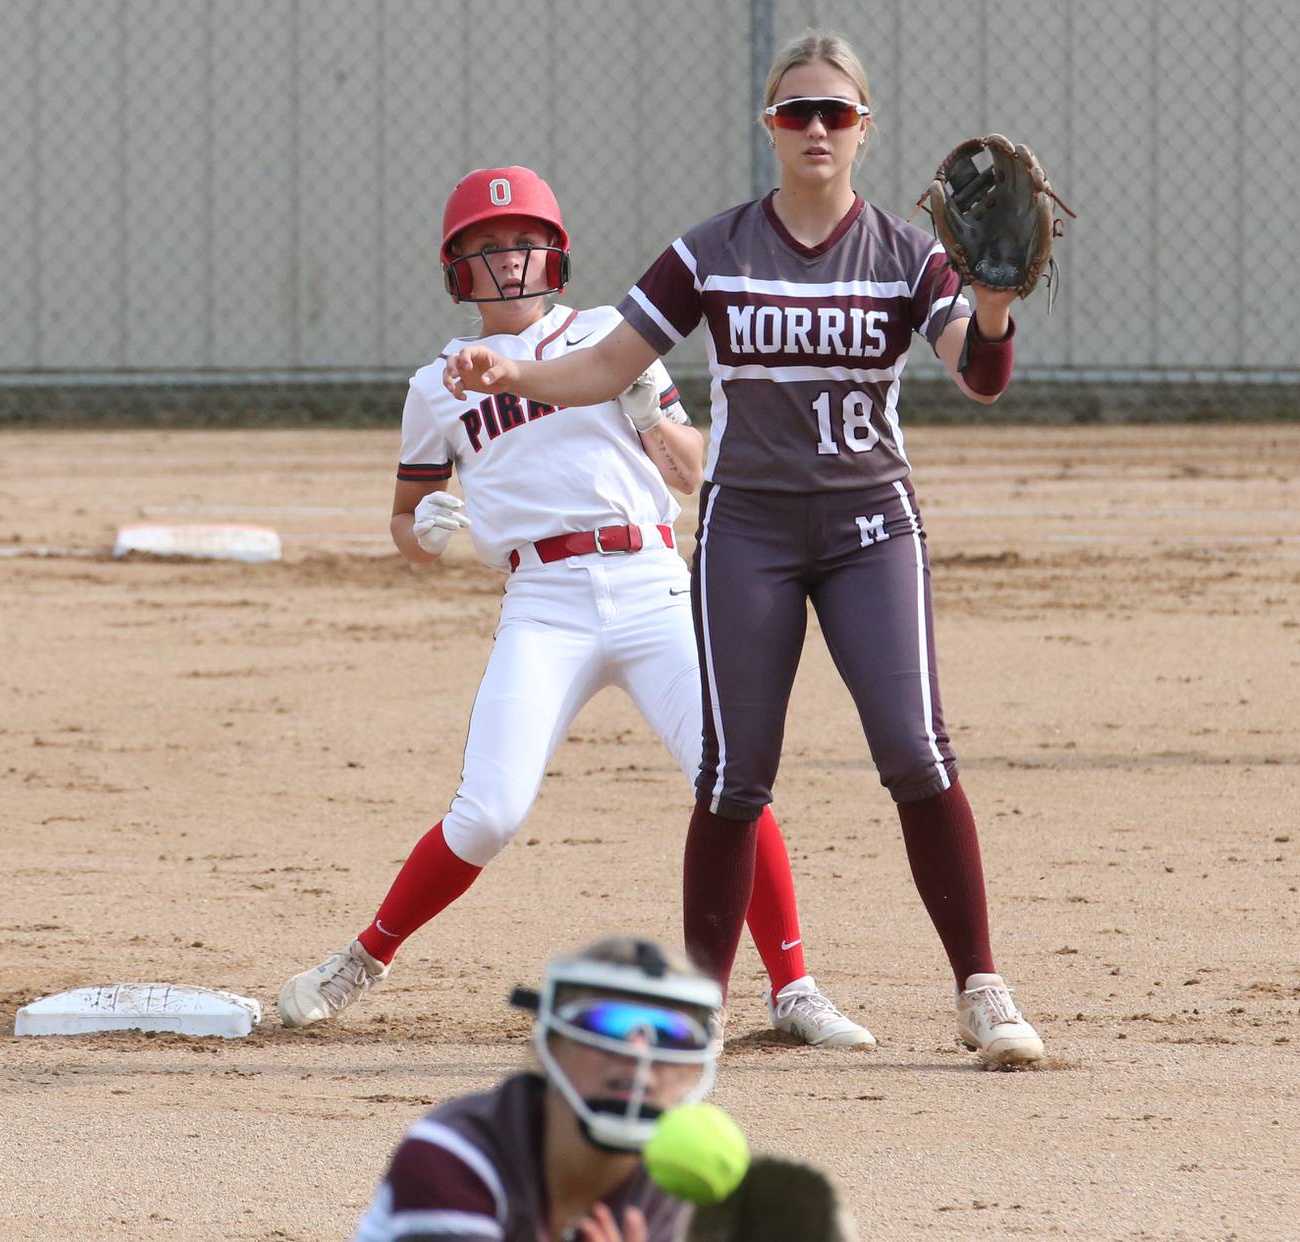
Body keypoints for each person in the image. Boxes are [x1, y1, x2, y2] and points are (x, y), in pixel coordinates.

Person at [444, 33, 1043, 1066]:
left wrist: (990, 305)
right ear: (769, 128)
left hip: (869, 528)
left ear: (865, 129)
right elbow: (603, 367)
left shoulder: (908, 255)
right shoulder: (710, 250)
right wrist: (509, 375)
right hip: (749, 529)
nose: (816, 128)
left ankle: (981, 992)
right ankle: (699, 1010)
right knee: (733, 773)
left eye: (836, 113)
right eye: (796, 112)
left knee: (915, 749)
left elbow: (978, 377)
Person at [277, 165, 871, 1051]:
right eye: (485, 246)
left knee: (731, 779)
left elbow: (699, 473)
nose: (507, 260)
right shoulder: (436, 385)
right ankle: (366, 954)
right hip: (543, 601)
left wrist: (653, 418)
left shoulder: (607, 336)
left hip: (649, 581)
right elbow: (406, 522)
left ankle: (795, 987)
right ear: (455, 267)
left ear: (553, 253)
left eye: (521, 242)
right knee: (489, 813)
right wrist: (424, 533)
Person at [353, 937, 721, 1242]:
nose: (636, 1053)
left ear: (692, 1069)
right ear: (551, 1045)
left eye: (672, 1034)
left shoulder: (683, 1184)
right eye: (606, 1023)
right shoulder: (456, 1154)